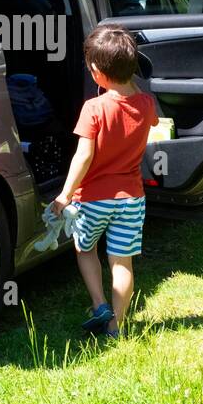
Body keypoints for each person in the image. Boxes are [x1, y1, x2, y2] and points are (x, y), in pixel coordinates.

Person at [50, 24, 158, 338]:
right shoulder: (146, 104)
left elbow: (83, 157)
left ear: (97, 72)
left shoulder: (94, 108)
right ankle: (117, 325)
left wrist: (64, 196)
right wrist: (133, 85)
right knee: (122, 262)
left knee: (86, 251)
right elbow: (149, 118)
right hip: (131, 199)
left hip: (92, 199)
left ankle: (99, 304)